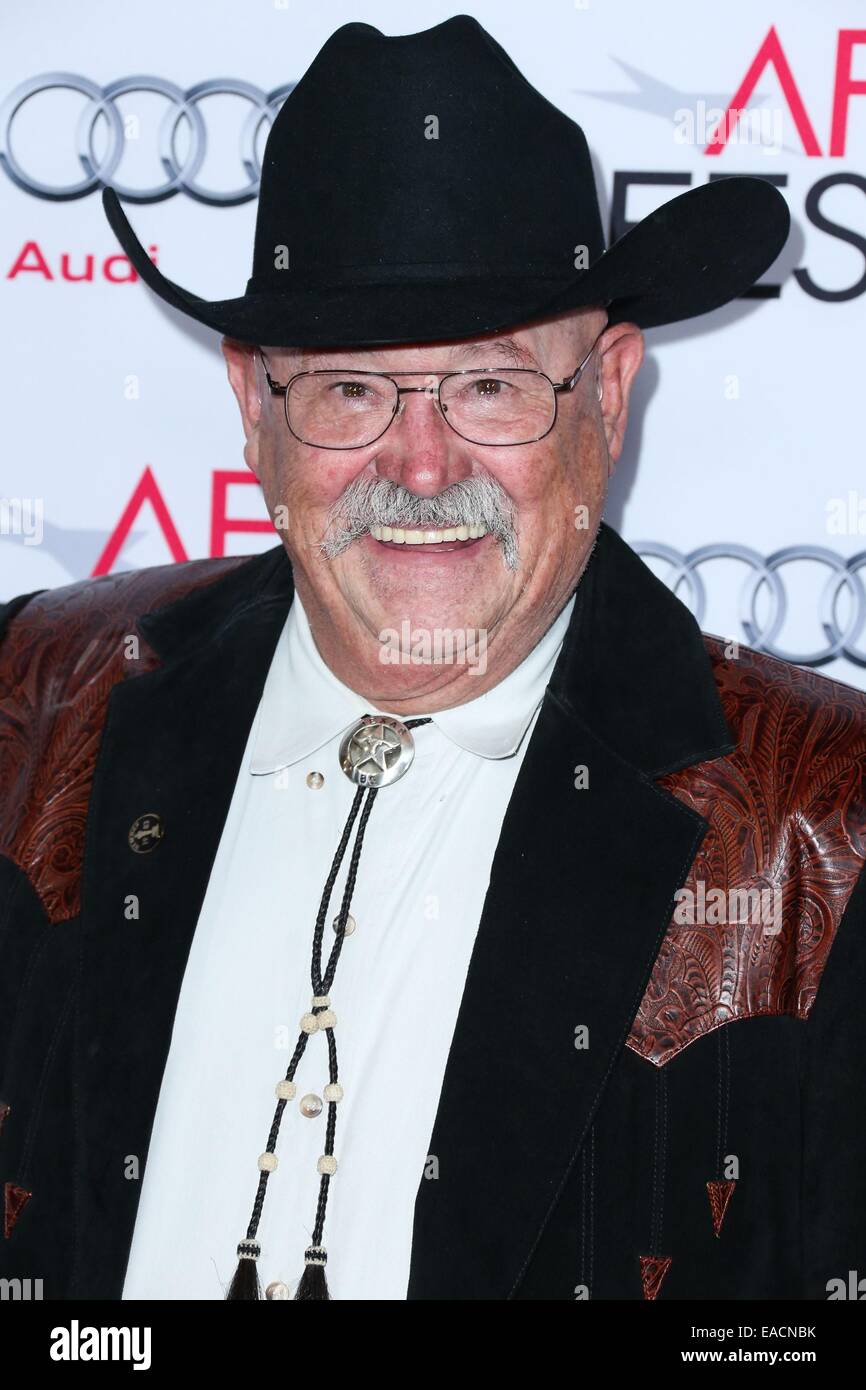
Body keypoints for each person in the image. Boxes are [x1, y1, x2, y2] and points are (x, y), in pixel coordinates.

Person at [1, 16, 864, 1303]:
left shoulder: (824, 826)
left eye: (491, 385)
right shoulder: (40, 697)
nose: (419, 465)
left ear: (610, 394)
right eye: (350, 390)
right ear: (254, 408)